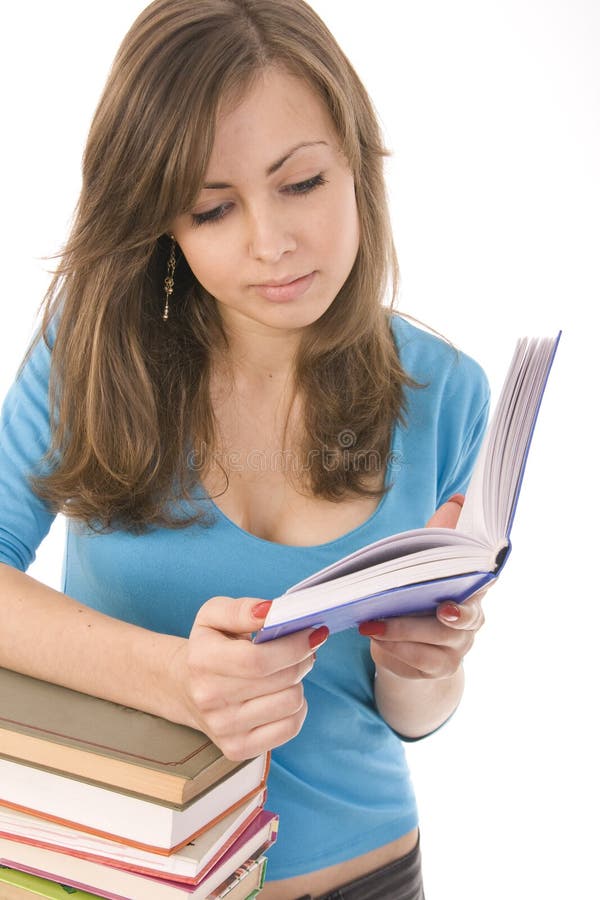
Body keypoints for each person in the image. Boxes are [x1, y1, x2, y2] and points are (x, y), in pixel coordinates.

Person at [0, 1, 490, 897]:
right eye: (212, 208)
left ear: (355, 160)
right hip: (131, 873)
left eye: (301, 183)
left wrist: (427, 669)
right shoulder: (92, 354)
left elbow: (410, 719)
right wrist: (171, 677)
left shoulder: (449, 392)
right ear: (163, 227)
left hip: (372, 872)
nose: (272, 243)